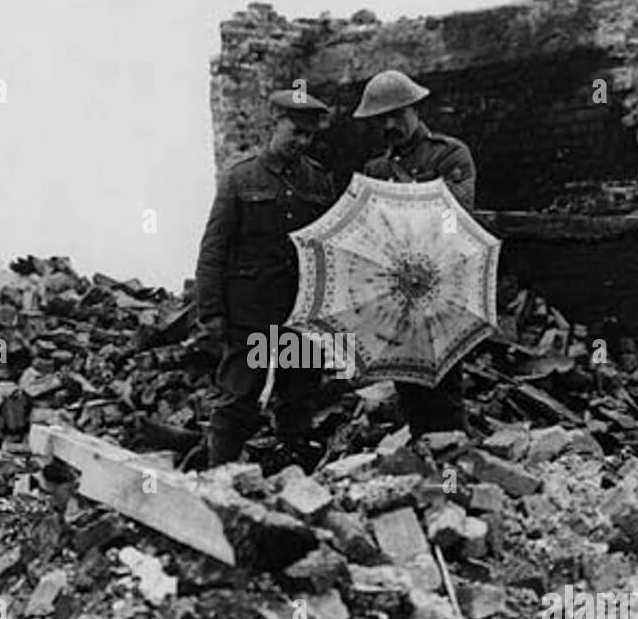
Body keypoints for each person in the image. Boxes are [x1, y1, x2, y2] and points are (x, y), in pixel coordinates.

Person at [194, 88, 337, 466]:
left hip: (300, 314)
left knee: (297, 397)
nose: (302, 142)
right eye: (295, 132)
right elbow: (213, 249)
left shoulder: (318, 182)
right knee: (239, 397)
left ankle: (292, 479)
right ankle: (216, 476)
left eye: (309, 135)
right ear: (275, 125)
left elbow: (329, 249)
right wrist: (211, 311)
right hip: (252, 316)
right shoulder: (240, 179)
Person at [353, 68, 477, 434]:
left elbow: (458, 222)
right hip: (396, 290)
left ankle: (455, 471)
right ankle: (427, 472)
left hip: (441, 285)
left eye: (398, 114)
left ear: (415, 109)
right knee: (409, 386)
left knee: (444, 389)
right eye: (381, 118)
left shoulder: (450, 155)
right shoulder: (375, 168)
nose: (390, 124)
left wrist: (410, 203)